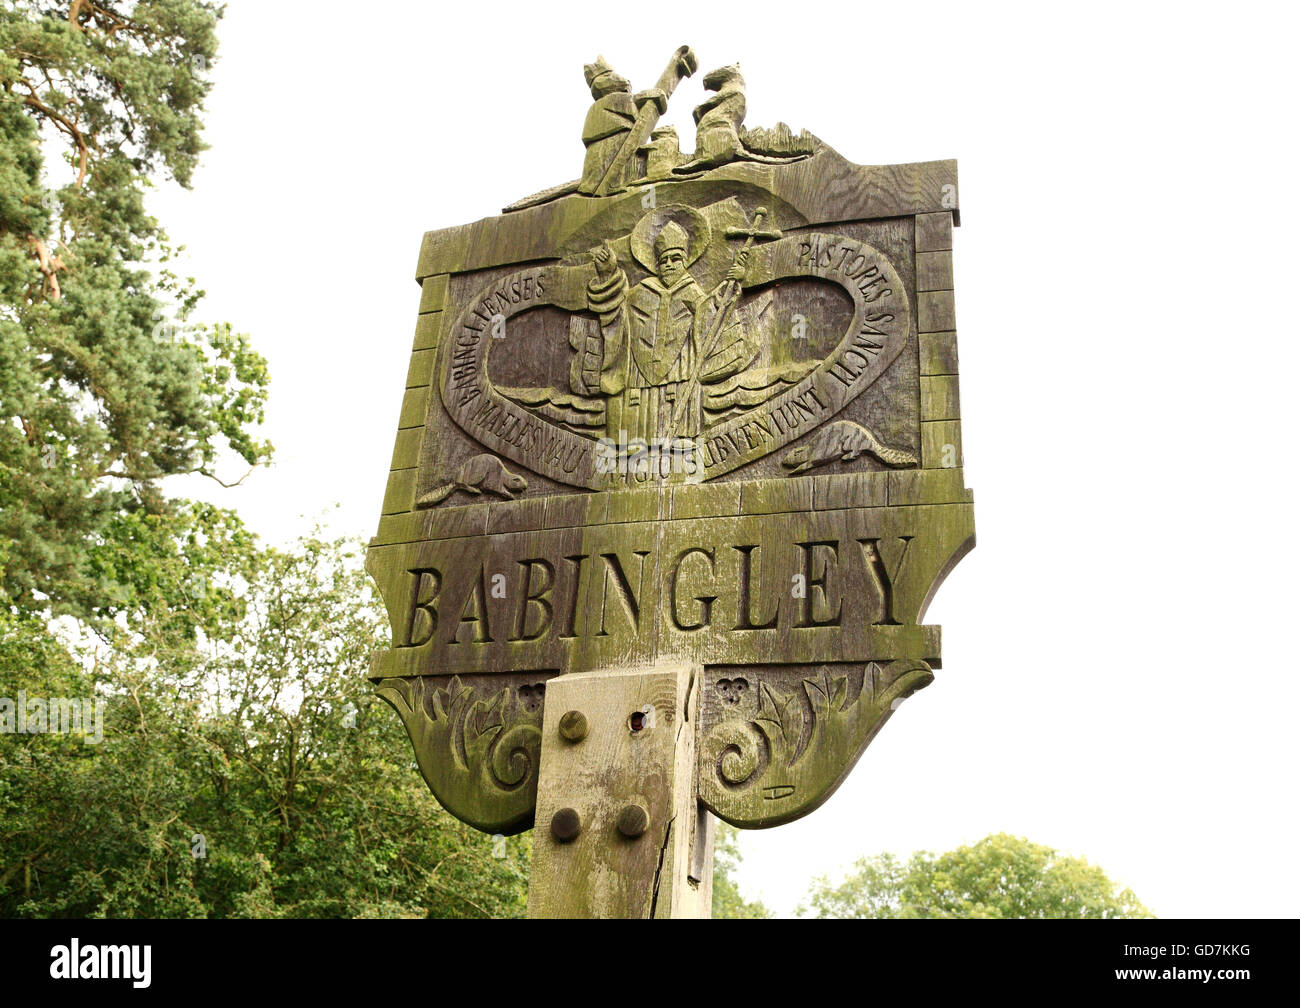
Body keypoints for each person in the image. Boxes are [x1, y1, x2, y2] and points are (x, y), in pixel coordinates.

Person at [583, 212, 751, 442]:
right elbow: (614, 311)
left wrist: (731, 285)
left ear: (686, 261)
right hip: (638, 380)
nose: (670, 265)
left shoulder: (691, 292)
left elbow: (710, 315)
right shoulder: (639, 292)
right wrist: (608, 273)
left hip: (679, 376)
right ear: (656, 264)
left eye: (676, 258)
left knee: (680, 440)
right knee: (632, 435)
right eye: (664, 260)